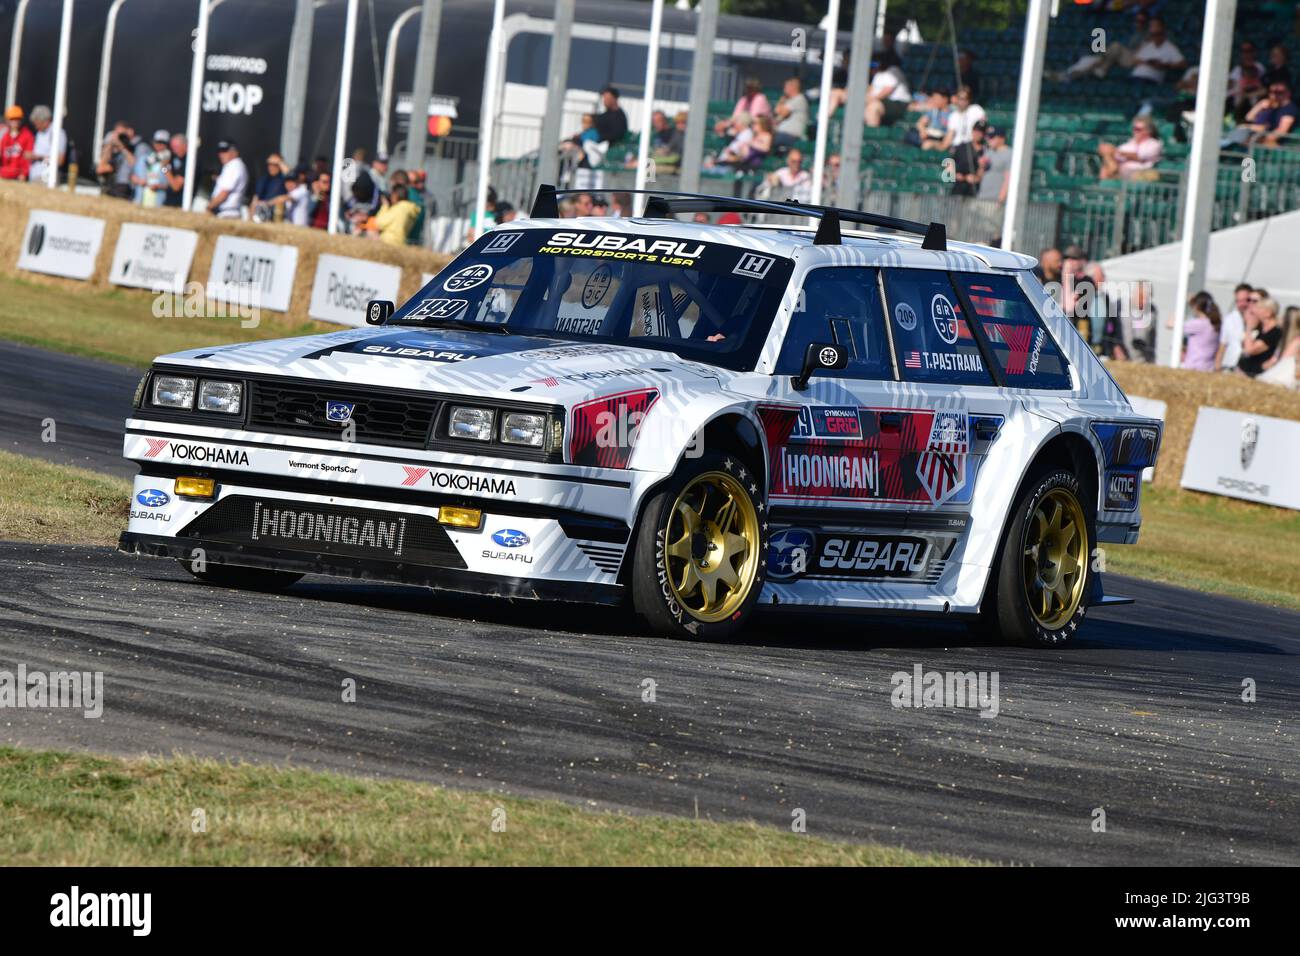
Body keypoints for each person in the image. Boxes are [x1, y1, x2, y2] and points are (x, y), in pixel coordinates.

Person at [1098, 116, 1163, 180]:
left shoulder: (1154, 144)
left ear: (1148, 131)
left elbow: (1139, 156)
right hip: (1122, 171)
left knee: (1108, 168)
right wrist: (1107, 151)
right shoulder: (1129, 144)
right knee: (1106, 165)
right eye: (1134, 129)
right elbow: (1116, 155)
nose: (1135, 131)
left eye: (1138, 129)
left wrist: (1114, 150)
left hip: (1141, 172)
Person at [1237, 295, 1283, 376]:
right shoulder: (1262, 329)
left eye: (1259, 308)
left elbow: (1250, 350)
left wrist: (1248, 328)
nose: (1256, 311)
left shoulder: (1275, 332)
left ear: (1268, 313)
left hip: (1257, 374)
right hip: (1248, 370)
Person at [96, 120, 143, 199]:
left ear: (130, 132)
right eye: (118, 134)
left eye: (122, 134)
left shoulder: (138, 146)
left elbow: (136, 165)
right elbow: (101, 167)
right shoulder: (114, 146)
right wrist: (110, 144)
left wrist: (121, 147)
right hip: (111, 184)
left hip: (126, 186)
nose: (120, 137)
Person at [1241, 82, 1297, 147]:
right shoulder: (1271, 107)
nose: (1274, 94)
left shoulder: (1290, 109)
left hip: (1277, 146)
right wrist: (1259, 106)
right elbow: (1249, 118)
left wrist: (1258, 140)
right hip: (1259, 140)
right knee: (1237, 135)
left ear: (1288, 93)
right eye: (1271, 91)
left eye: (1279, 92)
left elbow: (1281, 131)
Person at [373, 171, 420, 246]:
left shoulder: (400, 208)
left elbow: (379, 223)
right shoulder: (411, 206)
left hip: (389, 242)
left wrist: (385, 206)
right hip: (404, 241)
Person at [26, 104, 67, 184]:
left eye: (37, 123)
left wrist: (38, 157)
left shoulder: (57, 133)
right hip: (33, 177)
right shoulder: (39, 133)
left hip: (45, 179)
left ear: (46, 121)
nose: (36, 127)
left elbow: (60, 160)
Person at [207, 140, 248, 219]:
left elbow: (224, 193)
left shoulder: (234, 166)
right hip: (224, 213)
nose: (221, 154)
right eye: (220, 151)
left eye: (225, 151)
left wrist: (209, 207)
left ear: (235, 152)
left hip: (228, 214)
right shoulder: (232, 166)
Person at [1181, 291, 1221, 371]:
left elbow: (1170, 323)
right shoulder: (1215, 323)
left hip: (1193, 367)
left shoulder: (1199, 324)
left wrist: (1182, 303)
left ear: (1197, 306)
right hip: (1208, 368)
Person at [1215, 283, 1252, 371]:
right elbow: (1223, 344)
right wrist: (1217, 365)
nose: (1242, 304)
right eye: (1238, 301)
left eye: (1245, 300)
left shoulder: (1258, 320)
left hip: (1248, 367)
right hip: (1230, 364)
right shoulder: (1229, 319)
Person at [865, 58, 911, 128]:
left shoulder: (893, 70)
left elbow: (887, 91)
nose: (873, 68)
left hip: (898, 103)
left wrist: (871, 99)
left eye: (875, 65)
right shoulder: (877, 76)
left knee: (873, 107)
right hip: (883, 102)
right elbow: (871, 90)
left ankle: (872, 134)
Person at [132, 130, 173, 207]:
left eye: (163, 143)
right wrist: (139, 181)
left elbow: (169, 183)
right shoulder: (144, 159)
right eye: (157, 142)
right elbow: (133, 177)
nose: (159, 145)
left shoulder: (170, 163)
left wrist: (164, 166)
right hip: (141, 198)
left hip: (158, 201)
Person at [1227, 42, 1265, 123]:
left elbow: (1262, 88)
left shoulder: (1259, 67)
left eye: (1249, 51)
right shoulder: (1237, 69)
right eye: (1244, 51)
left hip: (1253, 97)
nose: (1246, 54)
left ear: (1254, 52)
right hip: (1238, 99)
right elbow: (1232, 87)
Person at [941, 86, 986, 152]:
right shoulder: (953, 115)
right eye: (960, 98)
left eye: (965, 99)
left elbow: (983, 128)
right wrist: (942, 148)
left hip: (972, 147)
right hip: (957, 148)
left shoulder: (976, 110)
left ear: (969, 100)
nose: (962, 102)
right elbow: (949, 136)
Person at [951, 120, 986, 197]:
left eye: (981, 132)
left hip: (976, 190)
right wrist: (955, 175)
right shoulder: (962, 147)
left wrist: (977, 178)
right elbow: (948, 164)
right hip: (959, 189)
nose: (977, 134)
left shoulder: (986, 151)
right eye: (976, 131)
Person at [772, 77, 809, 149]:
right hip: (782, 133)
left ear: (792, 87)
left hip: (791, 135)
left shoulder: (799, 99)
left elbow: (782, 113)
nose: (784, 89)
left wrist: (781, 101)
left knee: (769, 140)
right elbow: (776, 111)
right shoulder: (790, 100)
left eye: (786, 87)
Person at [977, 126, 1011, 203]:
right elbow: (979, 176)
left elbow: (1008, 180)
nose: (989, 140)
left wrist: (1000, 200)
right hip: (981, 197)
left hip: (995, 199)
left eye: (992, 137)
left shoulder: (1009, 154)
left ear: (1001, 138)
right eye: (988, 137)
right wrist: (981, 166)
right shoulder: (988, 152)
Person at [250, 153, 287, 222]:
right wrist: (251, 217)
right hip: (261, 215)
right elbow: (255, 200)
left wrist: (279, 162)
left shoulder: (284, 179)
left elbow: (290, 174)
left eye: (274, 164)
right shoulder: (263, 180)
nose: (271, 167)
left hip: (277, 216)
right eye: (269, 164)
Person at [1, 105, 32, 180]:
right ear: (7, 120)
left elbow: (28, 157)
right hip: (3, 173)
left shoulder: (27, 135)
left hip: (18, 175)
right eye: (12, 119)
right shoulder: (5, 135)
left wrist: (24, 173)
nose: (15, 121)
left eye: (17, 119)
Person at [163, 134, 187, 207]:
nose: (173, 151)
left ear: (185, 146)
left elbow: (175, 186)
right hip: (167, 203)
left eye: (176, 147)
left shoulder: (189, 163)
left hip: (178, 205)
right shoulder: (173, 158)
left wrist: (165, 167)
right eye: (172, 148)